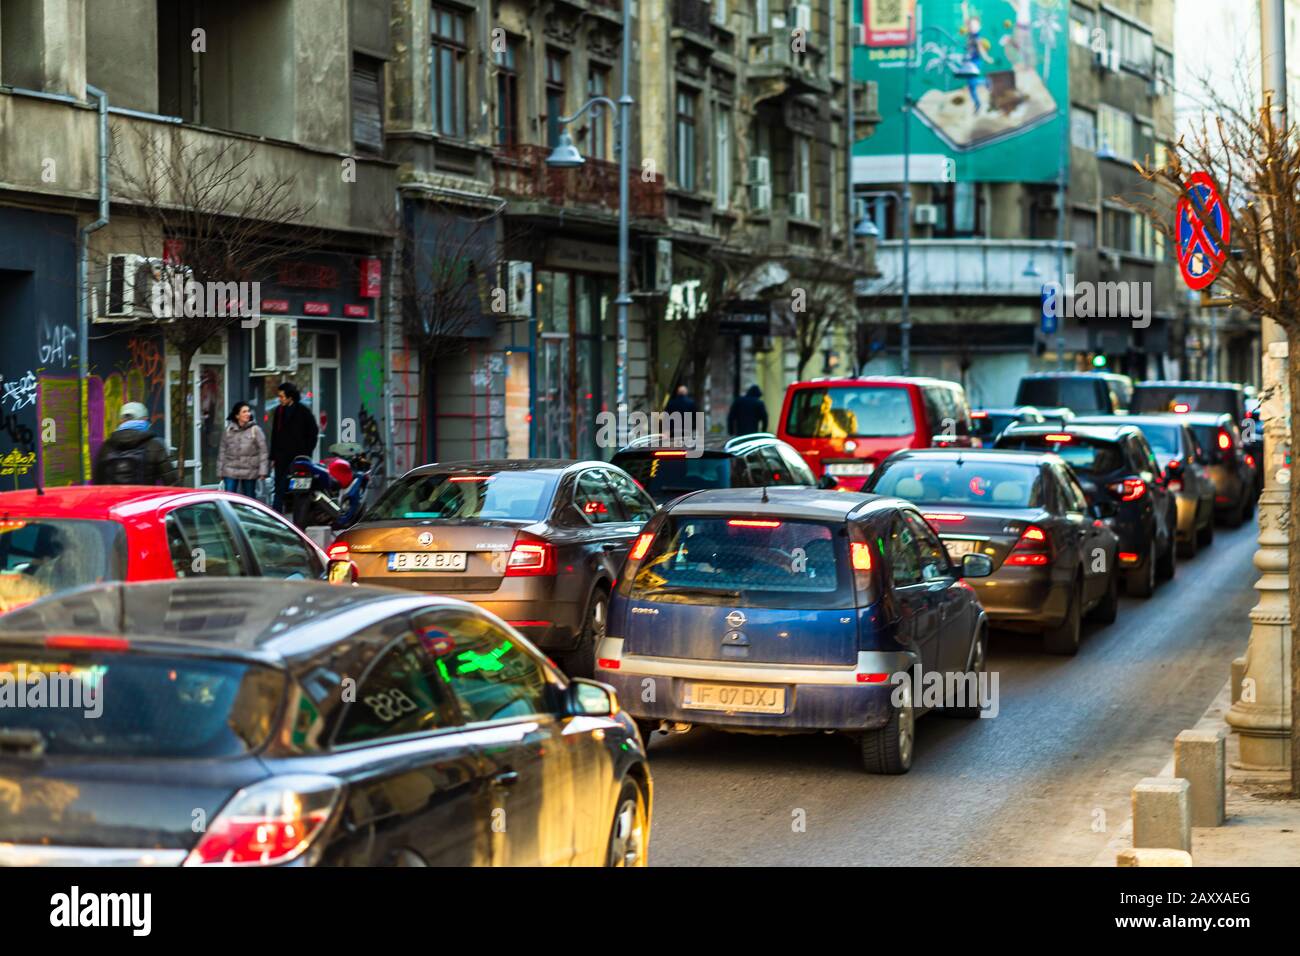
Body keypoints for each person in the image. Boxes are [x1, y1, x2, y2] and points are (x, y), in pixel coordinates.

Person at [92, 402, 178, 486]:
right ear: (144, 419)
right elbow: (172, 482)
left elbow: (97, 482)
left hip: (116, 500)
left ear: (122, 421)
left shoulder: (107, 446)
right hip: (144, 499)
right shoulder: (155, 445)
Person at [269, 382, 319, 512]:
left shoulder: (303, 411)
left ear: (290, 397)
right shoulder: (279, 411)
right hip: (281, 457)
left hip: (298, 457)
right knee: (279, 487)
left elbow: (313, 432)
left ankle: (299, 514)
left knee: (299, 488)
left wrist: (307, 452)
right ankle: (277, 515)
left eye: (282, 396)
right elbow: (275, 434)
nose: (280, 399)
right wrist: (273, 456)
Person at [217, 401, 269, 498]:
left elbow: (263, 451)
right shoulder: (228, 430)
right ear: (237, 415)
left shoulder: (255, 430)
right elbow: (222, 451)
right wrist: (220, 471)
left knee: (249, 500)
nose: (248, 414)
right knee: (229, 499)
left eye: (248, 411)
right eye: (244, 412)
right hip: (230, 470)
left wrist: (263, 471)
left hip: (249, 471)